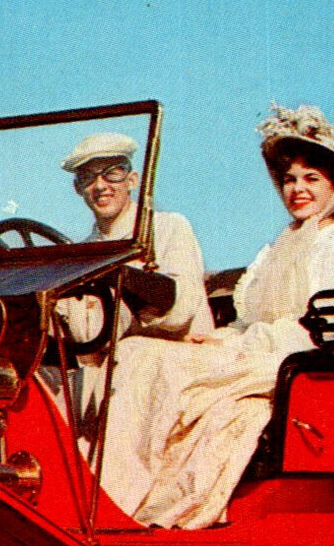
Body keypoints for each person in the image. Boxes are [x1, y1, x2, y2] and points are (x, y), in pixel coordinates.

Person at [98, 104, 334, 528]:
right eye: (289, 180)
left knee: (157, 366)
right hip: (252, 347)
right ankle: (112, 486)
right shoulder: (276, 249)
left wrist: (243, 343)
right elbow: (249, 318)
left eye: (311, 180)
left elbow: (327, 328)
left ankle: (124, 498)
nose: (297, 190)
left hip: (298, 358)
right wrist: (223, 338)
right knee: (135, 352)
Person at [53, 132, 214, 435]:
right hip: (105, 377)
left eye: (112, 172)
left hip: (167, 369)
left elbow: (179, 312)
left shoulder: (167, 229)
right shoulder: (80, 252)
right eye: (87, 177)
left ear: (132, 179)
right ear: (78, 189)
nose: (100, 186)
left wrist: (123, 278)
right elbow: (78, 335)